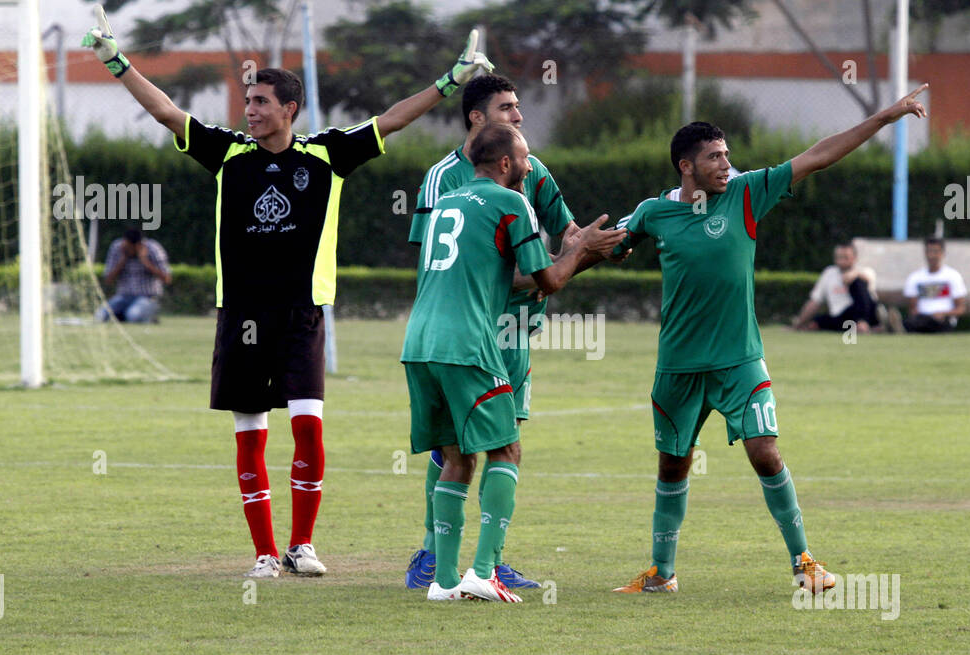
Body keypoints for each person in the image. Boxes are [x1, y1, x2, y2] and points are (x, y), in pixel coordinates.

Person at [83, 7, 494, 578]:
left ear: (289, 110)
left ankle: (302, 546)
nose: (248, 111)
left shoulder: (325, 155)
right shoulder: (228, 154)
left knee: (307, 428)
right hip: (242, 318)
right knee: (250, 439)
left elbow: (392, 120)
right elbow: (165, 111)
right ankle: (263, 555)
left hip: (302, 315)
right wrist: (115, 60)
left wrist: (451, 82)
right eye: (247, 103)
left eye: (260, 103)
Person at [606, 85, 929, 595]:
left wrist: (885, 118)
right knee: (673, 464)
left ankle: (805, 563)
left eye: (727, 155)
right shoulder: (652, 213)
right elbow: (602, 244)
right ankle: (661, 574)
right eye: (714, 157)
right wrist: (569, 257)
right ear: (685, 166)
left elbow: (820, 155)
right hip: (678, 366)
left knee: (765, 452)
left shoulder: (747, 192)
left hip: (740, 361)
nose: (725, 165)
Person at [403, 74, 617, 592]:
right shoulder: (449, 180)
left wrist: (591, 244)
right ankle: (454, 563)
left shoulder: (529, 172)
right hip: (474, 331)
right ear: (478, 120)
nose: (519, 117)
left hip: (459, 332)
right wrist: (576, 255)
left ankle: (460, 571)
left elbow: (566, 236)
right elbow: (542, 269)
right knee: (499, 448)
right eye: (508, 108)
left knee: (467, 446)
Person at [791, 241, 879, 333]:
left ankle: (863, 323)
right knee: (818, 321)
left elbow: (867, 281)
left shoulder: (865, 270)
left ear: (855, 258)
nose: (841, 261)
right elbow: (815, 301)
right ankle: (875, 327)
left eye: (846, 258)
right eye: (839, 257)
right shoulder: (829, 273)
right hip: (840, 317)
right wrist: (799, 323)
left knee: (858, 282)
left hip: (863, 312)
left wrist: (854, 274)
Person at [96, 227, 171, 323]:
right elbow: (108, 280)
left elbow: (167, 279)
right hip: (123, 296)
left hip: (147, 297)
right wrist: (123, 260)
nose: (125, 248)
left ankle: (148, 316)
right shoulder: (117, 248)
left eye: (129, 247)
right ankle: (123, 314)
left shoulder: (153, 249)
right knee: (100, 316)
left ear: (138, 246)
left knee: (133, 316)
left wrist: (145, 261)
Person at [902, 238, 967, 333]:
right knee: (914, 322)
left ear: (942, 253)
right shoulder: (915, 277)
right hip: (922, 318)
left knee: (936, 322)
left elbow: (961, 308)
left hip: (944, 319)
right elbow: (913, 308)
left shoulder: (953, 276)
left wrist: (943, 313)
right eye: (929, 251)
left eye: (935, 251)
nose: (931, 255)